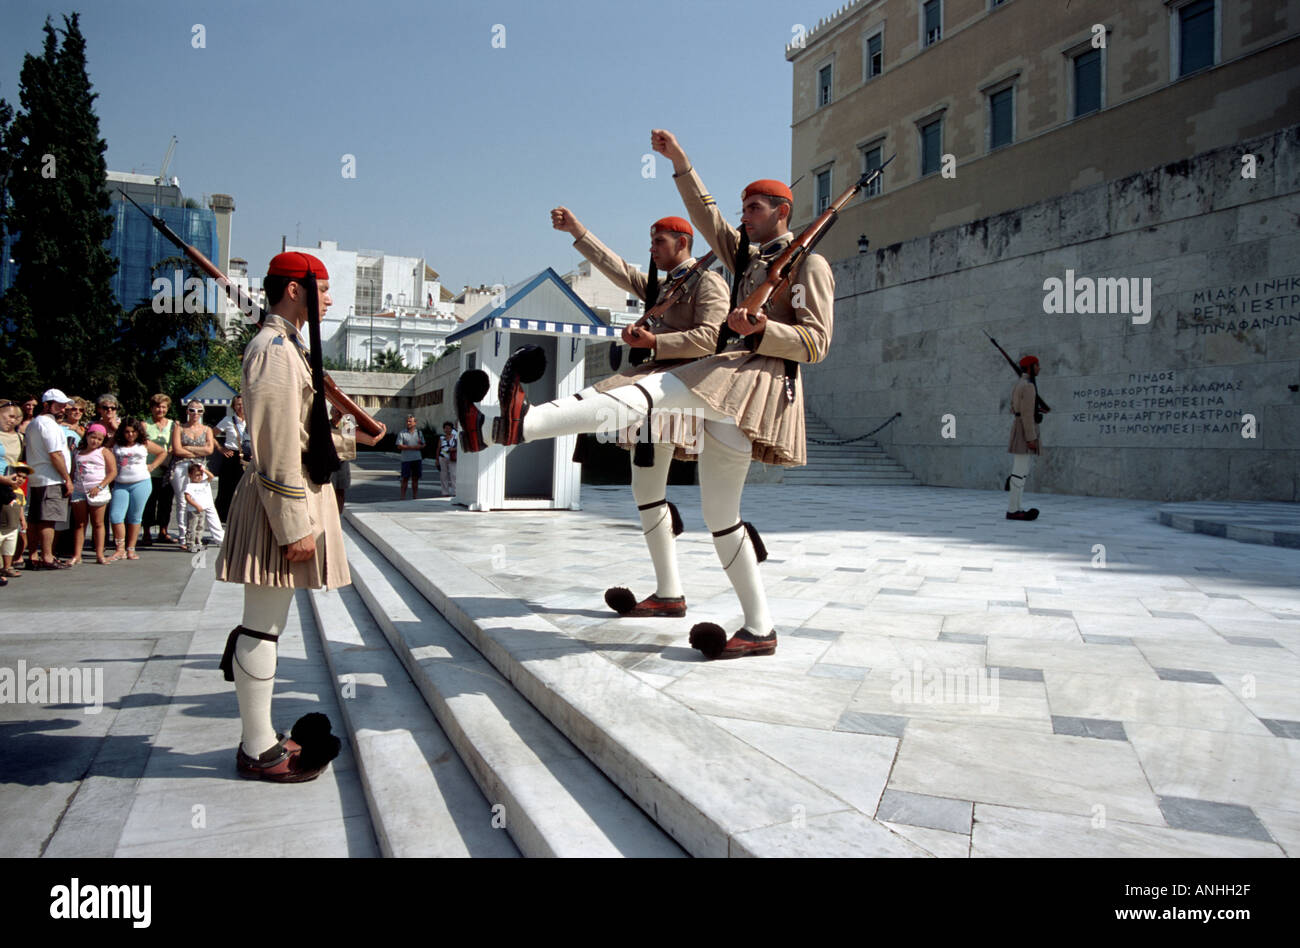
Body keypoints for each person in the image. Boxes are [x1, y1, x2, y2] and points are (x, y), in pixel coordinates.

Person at [457, 129, 834, 660]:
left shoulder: (809, 266)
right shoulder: (744, 258)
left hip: (756, 383)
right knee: (720, 513)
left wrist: (759, 330)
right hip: (726, 379)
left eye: (753, 207)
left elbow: (816, 343)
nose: (742, 215)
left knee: (644, 390)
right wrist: (680, 162)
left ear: (782, 211)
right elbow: (703, 216)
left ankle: (521, 424)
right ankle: (759, 627)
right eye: (743, 207)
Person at [216, 251, 385, 782]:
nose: (331, 299)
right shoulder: (274, 350)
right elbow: (274, 447)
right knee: (262, 627)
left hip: (288, 497)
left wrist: (349, 437)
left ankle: (259, 738)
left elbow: (303, 436)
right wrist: (294, 527)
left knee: (267, 625)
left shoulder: (287, 347)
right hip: (279, 504)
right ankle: (258, 748)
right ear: (295, 289)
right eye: (325, 288)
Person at [550, 205, 728, 617]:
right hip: (648, 391)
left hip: (676, 391)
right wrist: (578, 230)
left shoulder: (709, 283)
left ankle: (673, 590)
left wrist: (655, 343)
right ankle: (668, 591)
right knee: (645, 492)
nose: (652, 249)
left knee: (673, 496)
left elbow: (710, 339)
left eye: (658, 242)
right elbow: (613, 265)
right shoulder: (659, 285)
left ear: (683, 243)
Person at [24, 389, 75, 570]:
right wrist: (67, 479)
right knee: (48, 519)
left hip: (38, 477)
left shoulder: (34, 424)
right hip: (50, 478)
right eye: (59, 405)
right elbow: (55, 454)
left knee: (35, 519)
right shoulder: (48, 424)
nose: (63, 409)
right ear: (46, 405)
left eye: (64, 406)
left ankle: (33, 556)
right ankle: (47, 556)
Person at [108, 417, 157, 560]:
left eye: (133, 432)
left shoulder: (144, 443)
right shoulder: (116, 443)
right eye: (127, 432)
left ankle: (131, 549)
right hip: (120, 483)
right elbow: (103, 450)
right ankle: (119, 549)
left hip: (141, 482)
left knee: (135, 517)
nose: (130, 435)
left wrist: (152, 466)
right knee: (116, 516)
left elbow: (162, 452)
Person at [69, 423, 117, 565]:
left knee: (97, 523)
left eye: (99, 439)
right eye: (92, 437)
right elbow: (73, 470)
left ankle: (99, 554)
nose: (95, 441)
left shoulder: (104, 452)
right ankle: (77, 555)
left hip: (97, 491)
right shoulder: (78, 451)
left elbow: (112, 472)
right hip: (79, 490)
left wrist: (100, 486)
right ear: (87, 435)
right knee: (80, 523)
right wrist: (70, 484)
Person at [170, 400, 215, 542]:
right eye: (192, 410)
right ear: (187, 411)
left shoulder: (207, 429)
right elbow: (177, 449)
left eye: (199, 411)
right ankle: (183, 535)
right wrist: (197, 453)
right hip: (181, 465)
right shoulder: (180, 428)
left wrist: (188, 448)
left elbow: (209, 449)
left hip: (200, 467)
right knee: (182, 500)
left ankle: (199, 535)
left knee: (203, 500)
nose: (195, 413)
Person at [1007, 355, 1042, 522]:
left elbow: (1014, 409)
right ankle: (1014, 509)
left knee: (1020, 471)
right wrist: (1031, 437)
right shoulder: (1028, 387)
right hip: (1025, 430)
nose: (1039, 368)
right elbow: (1027, 415)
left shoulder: (1018, 385)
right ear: (1030, 367)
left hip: (1018, 426)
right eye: (1037, 365)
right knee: (1020, 472)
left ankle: (1017, 508)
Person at [141, 394, 176, 545]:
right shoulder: (144, 425)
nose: (160, 410)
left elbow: (175, 444)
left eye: (163, 407)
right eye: (157, 406)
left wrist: (169, 453)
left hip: (167, 469)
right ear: (151, 408)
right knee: (149, 502)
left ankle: (163, 531)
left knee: (166, 502)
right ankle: (147, 533)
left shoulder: (174, 425)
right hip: (149, 468)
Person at [214, 394, 248, 522]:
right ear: (233, 406)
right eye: (238, 404)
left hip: (246, 458)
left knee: (244, 490)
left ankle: (240, 519)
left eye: (243, 404)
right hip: (231, 456)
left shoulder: (250, 420)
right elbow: (210, 434)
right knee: (225, 489)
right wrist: (220, 448)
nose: (241, 407)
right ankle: (221, 520)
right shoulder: (228, 420)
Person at [181, 462, 223, 552]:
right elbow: (187, 498)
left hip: (202, 510)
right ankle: (190, 544)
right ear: (190, 475)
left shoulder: (204, 483)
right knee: (192, 528)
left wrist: (204, 470)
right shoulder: (189, 486)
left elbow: (211, 477)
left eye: (201, 475)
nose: (199, 477)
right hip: (193, 511)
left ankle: (198, 543)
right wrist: (196, 505)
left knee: (200, 527)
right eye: (196, 475)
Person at [1, 462, 30, 581]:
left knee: (10, 547)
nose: (20, 479)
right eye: (18, 476)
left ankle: (8, 567)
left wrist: (23, 520)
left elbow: (21, 507)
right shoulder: (4, 489)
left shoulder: (20, 492)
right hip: (2, 526)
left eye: (24, 477)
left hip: (13, 526)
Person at [396, 414, 425, 499]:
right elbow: (399, 446)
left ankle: (415, 497)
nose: (408, 423)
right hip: (406, 459)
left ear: (415, 423)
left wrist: (420, 447)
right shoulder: (402, 433)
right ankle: (402, 497)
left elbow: (423, 444)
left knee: (415, 479)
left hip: (417, 459)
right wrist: (412, 447)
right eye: (407, 421)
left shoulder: (419, 433)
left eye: (410, 421)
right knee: (405, 478)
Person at [437, 421, 458, 497]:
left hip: (452, 457)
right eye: (446, 428)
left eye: (449, 428)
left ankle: (455, 492)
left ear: (452, 429)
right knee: (443, 475)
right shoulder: (441, 438)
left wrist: (454, 449)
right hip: (442, 457)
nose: (447, 430)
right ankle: (445, 492)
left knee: (454, 474)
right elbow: (438, 448)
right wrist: (437, 460)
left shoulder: (455, 437)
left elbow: (459, 447)